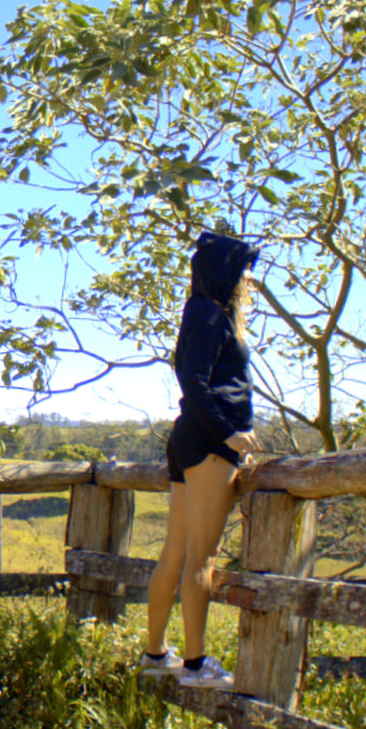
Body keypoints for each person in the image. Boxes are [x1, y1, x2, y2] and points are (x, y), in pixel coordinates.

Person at [139, 231, 262, 689]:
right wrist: (229, 430)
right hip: (210, 443)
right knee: (199, 557)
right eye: (242, 270)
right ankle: (195, 665)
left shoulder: (200, 311)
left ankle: (156, 653)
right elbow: (193, 378)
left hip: (191, 437)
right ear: (226, 272)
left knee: (175, 551)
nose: (248, 280)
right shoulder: (210, 314)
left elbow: (190, 377)